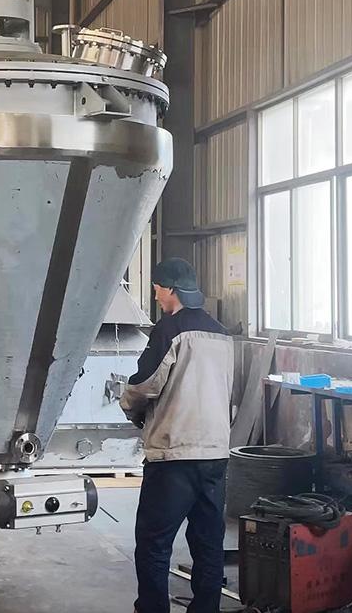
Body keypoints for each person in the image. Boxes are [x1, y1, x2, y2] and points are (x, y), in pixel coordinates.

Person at [120, 258, 233, 613]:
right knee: (208, 544)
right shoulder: (221, 333)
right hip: (215, 453)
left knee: (154, 543)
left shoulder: (169, 330)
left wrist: (130, 408)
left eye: (157, 289)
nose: (156, 297)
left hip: (175, 453)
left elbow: (144, 384)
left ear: (170, 289)